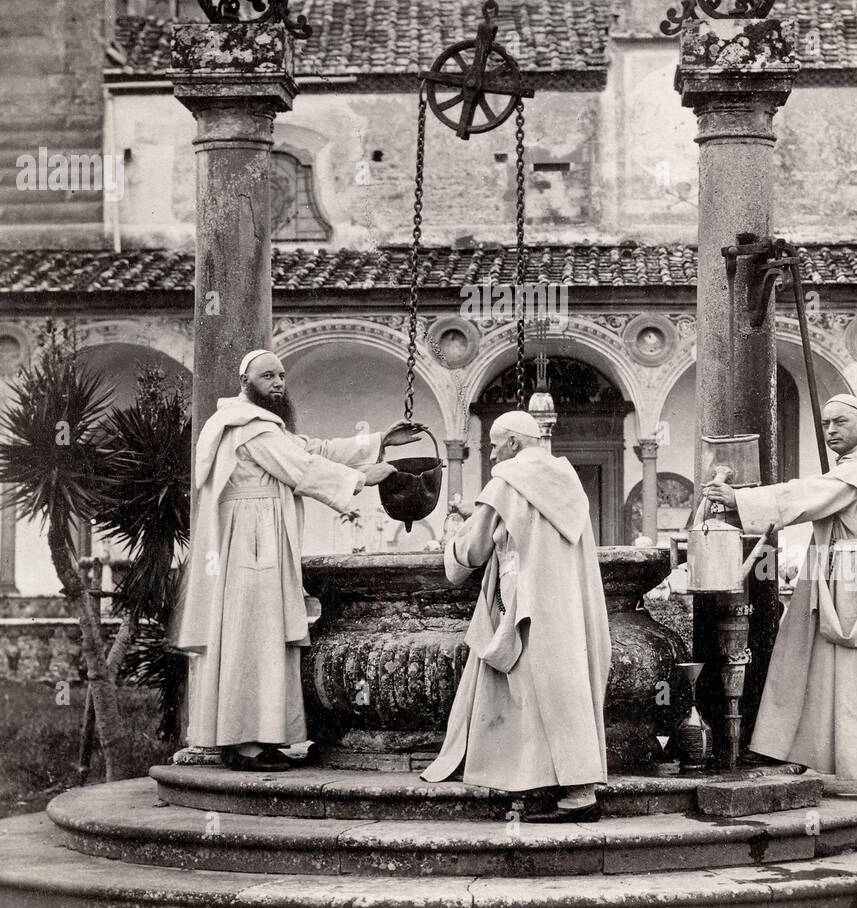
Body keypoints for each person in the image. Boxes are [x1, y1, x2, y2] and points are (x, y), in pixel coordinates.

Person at [171, 348, 425, 771]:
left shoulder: (263, 425)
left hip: (260, 537)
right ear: (245, 381)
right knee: (253, 636)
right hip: (251, 542)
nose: (277, 382)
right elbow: (303, 468)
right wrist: (365, 476)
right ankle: (247, 744)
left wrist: (379, 440)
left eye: (281, 375)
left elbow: (315, 448)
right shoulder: (248, 427)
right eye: (267, 375)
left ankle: (259, 737)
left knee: (260, 636)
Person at [703, 394, 857, 800]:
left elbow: (804, 496)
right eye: (825, 425)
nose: (830, 432)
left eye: (839, 423)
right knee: (824, 667)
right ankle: (803, 750)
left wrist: (739, 500)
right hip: (840, 575)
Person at [421, 410, 611, 822]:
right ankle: (567, 786)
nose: (491, 454)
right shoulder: (568, 481)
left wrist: (456, 526)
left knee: (529, 692)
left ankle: (574, 797)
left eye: (494, 444)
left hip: (524, 603)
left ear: (513, 443)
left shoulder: (507, 481)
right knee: (562, 688)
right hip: (566, 605)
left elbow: (471, 553)